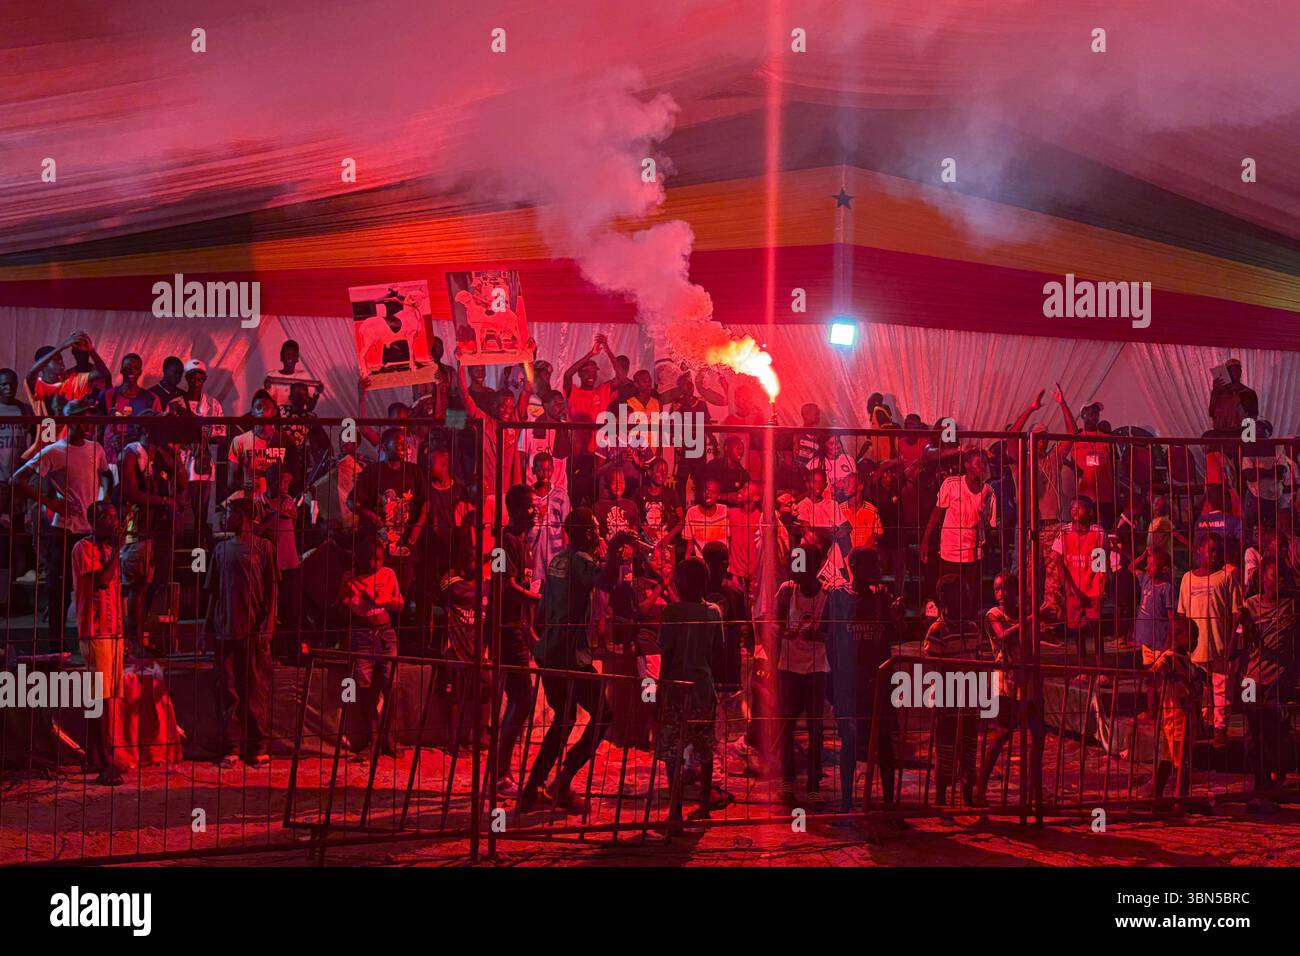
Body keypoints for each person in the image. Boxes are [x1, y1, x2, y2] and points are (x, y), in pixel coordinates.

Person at [519, 509, 621, 814]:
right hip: (570, 657)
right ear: (587, 534)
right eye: (594, 530)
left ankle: (533, 789)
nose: (597, 534)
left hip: (551, 650)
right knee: (603, 715)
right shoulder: (579, 561)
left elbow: (546, 604)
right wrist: (614, 549)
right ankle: (561, 781)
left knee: (563, 720)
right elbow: (606, 582)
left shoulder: (557, 560)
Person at [13, 419, 111, 653]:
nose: (88, 422)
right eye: (82, 417)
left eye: (90, 416)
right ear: (71, 421)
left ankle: (91, 645)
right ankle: (57, 648)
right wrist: (51, 503)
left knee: (94, 591)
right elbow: (18, 479)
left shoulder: (96, 448)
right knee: (61, 591)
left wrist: (103, 500)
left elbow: (106, 474)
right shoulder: (55, 450)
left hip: (90, 531)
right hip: (65, 530)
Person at [203, 498, 278, 768]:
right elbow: (212, 593)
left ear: (245, 516)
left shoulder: (265, 548)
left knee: (256, 689)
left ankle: (259, 746)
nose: (226, 519)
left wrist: (266, 627)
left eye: (231, 514)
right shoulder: (221, 550)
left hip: (254, 632)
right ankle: (232, 746)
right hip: (225, 630)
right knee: (229, 689)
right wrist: (206, 628)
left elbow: (272, 593)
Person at [827, 547, 903, 812]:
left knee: (883, 743)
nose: (879, 571)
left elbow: (895, 634)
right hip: (850, 684)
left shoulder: (881, 598)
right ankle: (847, 802)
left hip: (878, 684)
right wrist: (834, 679)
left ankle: (890, 802)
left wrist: (893, 612)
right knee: (849, 742)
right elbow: (828, 638)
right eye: (874, 566)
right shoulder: (838, 597)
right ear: (858, 568)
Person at [656, 556, 727, 824]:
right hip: (703, 690)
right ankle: (704, 805)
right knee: (705, 749)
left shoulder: (671, 613)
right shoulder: (713, 612)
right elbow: (717, 654)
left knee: (673, 753)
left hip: (676, 691)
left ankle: (674, 811)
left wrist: (660, 691)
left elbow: (666, 655)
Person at [975, 572, 1044, 807]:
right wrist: (1032, 619)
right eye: (997, 589)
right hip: (1005, 677)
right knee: (1002, 731)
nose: (1002, 593)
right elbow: (1002, 635)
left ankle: (1033, 792)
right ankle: (981, 786)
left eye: (1006, 588)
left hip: (1027, 676)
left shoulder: (1022, 614)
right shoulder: (994, 614)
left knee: (1037, 735)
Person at [71, 501, 127, 785]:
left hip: (114, 633)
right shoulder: (84, 549)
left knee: (107, 699)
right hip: (96, 634)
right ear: (94, 520)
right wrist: (118, 550)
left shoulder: (107, 550)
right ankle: (106, 762)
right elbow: (102, 581)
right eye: (108, 518)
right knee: (101, 701)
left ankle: (97, 757)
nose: (115, 523)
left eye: (116, 518)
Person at [119, 422, 186, 655]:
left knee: (153, 584)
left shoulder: (163, 455)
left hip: (161, 530)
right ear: (147, 430)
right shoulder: (132, 452)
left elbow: (183, 483)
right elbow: (130, 492)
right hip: (139, 529)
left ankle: (137, 638)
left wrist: (175, 456)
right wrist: (165, 501)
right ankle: (132, 641)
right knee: (138, 586)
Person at [492, 485, 542, 796]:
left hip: (518, 628)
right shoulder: (503, 543)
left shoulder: (523, 544)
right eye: (531, 506)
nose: (535, 512)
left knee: (520, 698)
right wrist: (535, 596)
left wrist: (531, 627)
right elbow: (506, 586)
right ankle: (499, 774)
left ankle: (502, 771)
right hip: (503, 627)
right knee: (522, 697)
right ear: (517, 508)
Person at [1177, 532, 1245, 748]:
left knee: (1221, 688)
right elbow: (1182, 614)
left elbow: (1237, 612)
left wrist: (1234, 639)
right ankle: (1205, 724)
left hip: (1219, 643)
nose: (1215, 555)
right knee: (1202, 688)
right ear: (1199, 551)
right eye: (1211, 550)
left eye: (1218, 551)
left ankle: (1220, 728)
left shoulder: (1225, 577)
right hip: (1196, 647)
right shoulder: (1188, 578)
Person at [339, 533, 403, 760]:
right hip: (361, 634)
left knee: (390, 686)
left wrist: (383, 599)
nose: (377, 563)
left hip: (385, 633)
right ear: (362, 558)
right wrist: (353, 602)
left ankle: (387, 736)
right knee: (364, 689)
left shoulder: (388, 574)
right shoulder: (350, 576)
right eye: (372, 559)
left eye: (380, 559)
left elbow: (400, 604)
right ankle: (373, 738)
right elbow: (343, 603)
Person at [922, 574, 983, 807]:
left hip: (969, 700)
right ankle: (940, 798)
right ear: (946, 599)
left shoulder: (972, 628)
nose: (966, 599)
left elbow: (978, 660)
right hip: (948, 700)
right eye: (962, 594)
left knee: (969, 749)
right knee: (946, 751)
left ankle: (968, 798)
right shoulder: (938, 630)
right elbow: (934, 665)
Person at [774, 545, 829, 800]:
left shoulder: (827, 595)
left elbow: (832, 633)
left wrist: (815, 635)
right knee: (786, 723)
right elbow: (774, 624)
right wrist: (783, 632)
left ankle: (814, 781)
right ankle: (787, 778)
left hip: (817, 667)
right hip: (789, 665)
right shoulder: (787, 591)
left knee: (815, 725)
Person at [349, 428, 427, 600]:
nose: (403, 447)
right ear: (384, 447)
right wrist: (369, 515)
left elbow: (425, 503)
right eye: (398, 443)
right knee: (375, 595)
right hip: (377, 550)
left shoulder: (414, 472)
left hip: (405, 546)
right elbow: (351, 502)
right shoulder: (372, 471)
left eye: (404, 443)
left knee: (400, 596)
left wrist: (417, 529)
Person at [1241, 558, 1295, 798]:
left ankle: (1275, 777)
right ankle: (1260, 780)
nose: (1280, 581)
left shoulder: (1292, 605)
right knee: (1250, 732)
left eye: (1283, 576)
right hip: (1250, 679)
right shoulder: (1250, 606)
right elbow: (1238, 644)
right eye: (1276, 576)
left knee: (1273, 730)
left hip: (1278, 678)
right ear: (1263, 578)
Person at [922, 447, 996, 617]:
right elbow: (937, 512)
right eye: (979, 463)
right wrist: (925, 540)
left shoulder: (988, 491)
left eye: (984, 464)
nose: (983, 467)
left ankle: (968, 632)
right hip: (950, 550)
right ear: (968, 465)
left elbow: (989, 524)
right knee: (948, 593)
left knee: (970, 597)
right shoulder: (951, 484)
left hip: (972, 552)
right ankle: (947, 628)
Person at [24, 332, 110, 457]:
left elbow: (104, 374)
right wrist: (62, 346)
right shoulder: (38, 385)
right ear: (43, 364)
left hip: (72, 448)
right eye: (55, 359)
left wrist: (91, 351)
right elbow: (31, 373)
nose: (60, 361)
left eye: (61, 357)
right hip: (45, 449)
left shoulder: (73, 379)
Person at [1150, 616, 1202, 800]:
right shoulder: (1169, 659)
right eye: (1193, 637)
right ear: (1178, 635)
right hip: (1176, 720)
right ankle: (1180, 798)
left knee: (1170, 759)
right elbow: (1152, 676)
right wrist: (1166, 674)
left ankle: (1157, 795)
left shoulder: (1187, 661)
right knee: (1182, 764)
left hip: (1188, 719)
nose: (1196, 642)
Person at [254, 464, 303, 658]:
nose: (287, 486)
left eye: (289, 483)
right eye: (284, 482)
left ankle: (290, 653)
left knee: (291, 610)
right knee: (268, 610)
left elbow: (294, 525)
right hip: (270, 567)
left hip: (290, 564)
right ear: (273, 481)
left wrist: (290, 516)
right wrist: (275, 515)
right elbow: (254, 532)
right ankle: (269, 653)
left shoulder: (290, 501)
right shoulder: (259, 503)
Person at [1052, 495, 1108, 661]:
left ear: (1090, 512)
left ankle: (1100, 669)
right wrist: (1069, 588)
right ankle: (1081, 667)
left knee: (1096, 629)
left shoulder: (1098, 533)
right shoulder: (1064, 532)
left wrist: (1101, 585)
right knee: (1078, 632)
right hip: (1073, 591)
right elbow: (1059, 561)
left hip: (1092, 590)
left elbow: (1100, 563)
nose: (1074, 511)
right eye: (1072, 508)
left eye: (1079, 508)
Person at [177, 359, 225, 543]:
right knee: (180, 505)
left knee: (201, 508)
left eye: (199, 378)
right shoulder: (176, 403)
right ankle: (179, 542)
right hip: (180, 461)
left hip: (203, 462)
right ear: (186, 379)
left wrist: (201, 433)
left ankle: (199, 543)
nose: (196, 382)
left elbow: (221, 436)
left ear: (204, 379)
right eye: (192, 378)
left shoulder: (214, 404)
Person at [97, 353, 162, 464]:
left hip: (140, 459)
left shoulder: (151, 399)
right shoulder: (107, 395)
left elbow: (157, 432)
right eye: (128, 367)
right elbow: (99, 428)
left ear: (140, 372)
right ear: (121, 370)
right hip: (110, 457)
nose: (131, 371)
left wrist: (129, 440)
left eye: (135, 368)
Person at [263, 339, 322, 410]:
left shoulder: (304, 376)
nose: (290, 357)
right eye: (287, 354)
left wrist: (317, 392)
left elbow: (310, 407)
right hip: (279, 418)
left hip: (299, 418)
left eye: (293, 354)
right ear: (281, 356)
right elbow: (267, 406)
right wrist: (267, 389)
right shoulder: (272, 376)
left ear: (297, 358)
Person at [1208, 357, 1258, 432]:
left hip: (1240, 433)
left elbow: (1253, 417)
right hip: (1221, 432)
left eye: (1237, 370)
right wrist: (1216, 392)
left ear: (1241, 372)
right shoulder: (1218, 392)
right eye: (1231, 370)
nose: (1235, 372)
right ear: (1226, 373)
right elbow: (1211, 413)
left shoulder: (1248, 393)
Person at [682, 478, 729, 555]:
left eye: (713, 492)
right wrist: (686, 563)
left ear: (719, 496)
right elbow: (689, 543)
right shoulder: (692, 513)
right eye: (706, 490)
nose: (708, 494)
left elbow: (731, 539)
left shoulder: (725, 511)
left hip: (723, 563)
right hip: (702, 563)